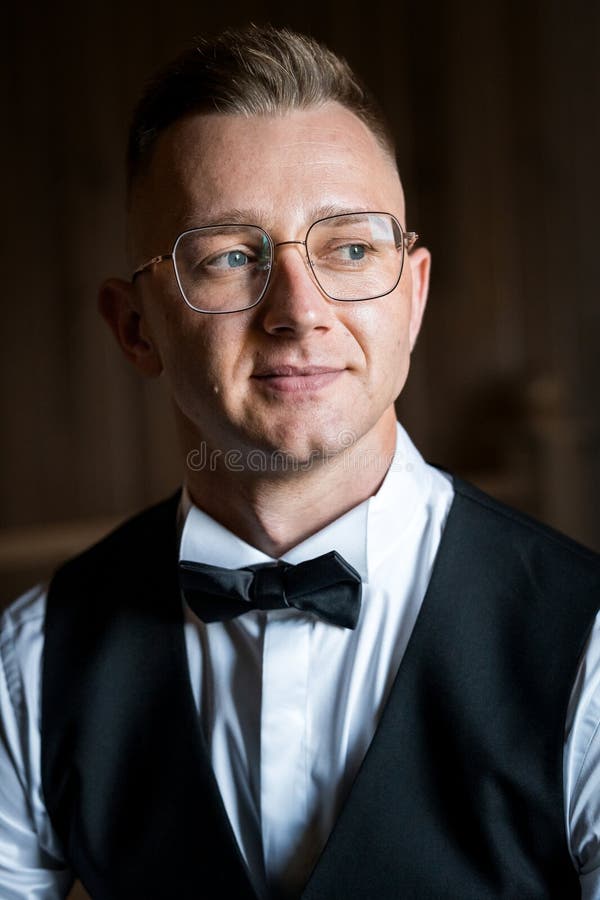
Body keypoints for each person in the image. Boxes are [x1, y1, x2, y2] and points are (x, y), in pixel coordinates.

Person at [1, 24, 599, 900]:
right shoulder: (29, 667)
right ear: (135, 327)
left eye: (351, 249)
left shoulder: (587, 646)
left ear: (415, 294)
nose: (299, 311)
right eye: (231, 258)